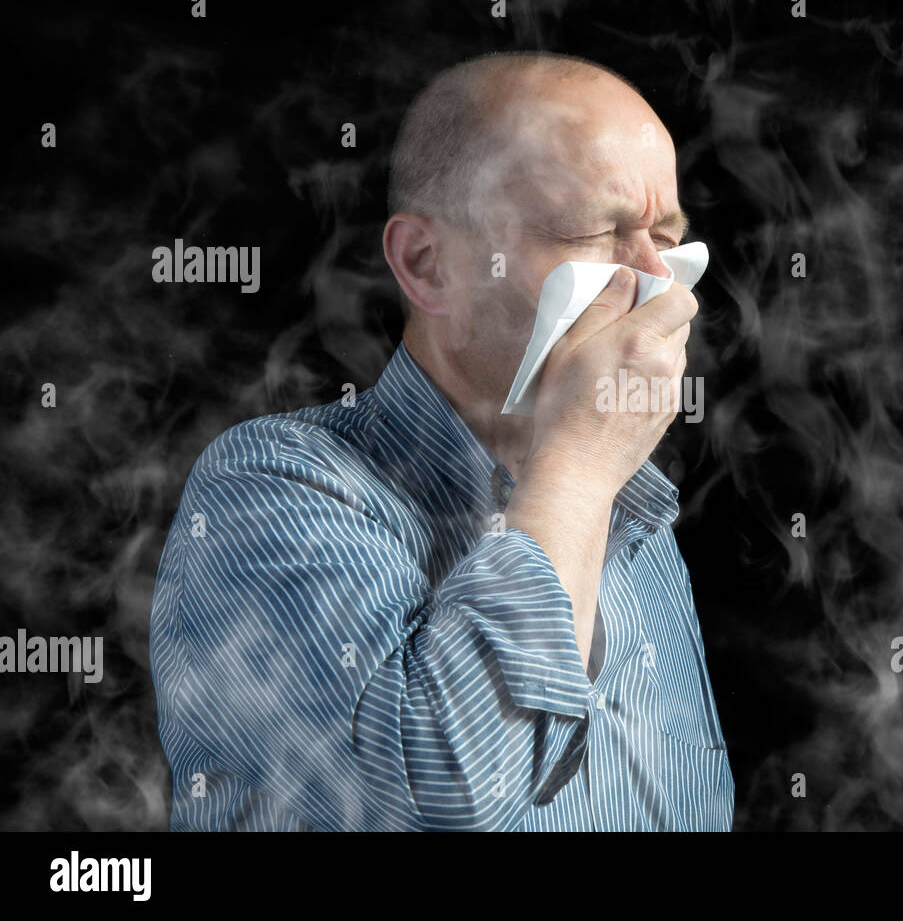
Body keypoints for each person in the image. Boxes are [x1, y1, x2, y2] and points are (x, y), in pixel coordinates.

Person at [148, 50, 735, 830]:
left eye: (667, 237)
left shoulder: (636, 526)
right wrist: (580, 467)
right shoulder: (269, 491)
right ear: (427, 265)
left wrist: (590, 479)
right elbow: (441, 799)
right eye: (598, 231)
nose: (655, 281)